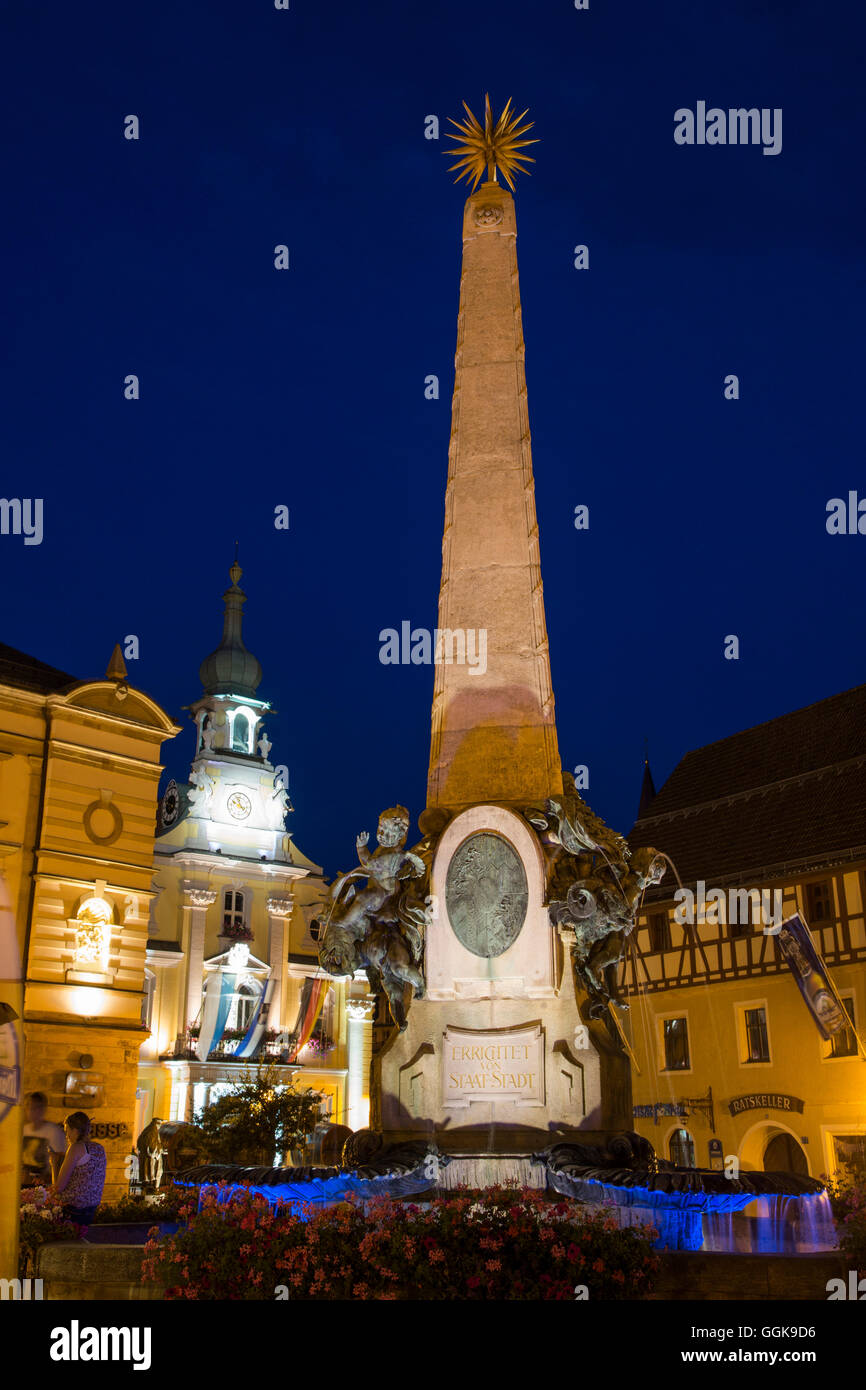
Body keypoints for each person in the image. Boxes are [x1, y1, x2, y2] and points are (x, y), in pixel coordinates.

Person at [50, 1112, 106, 1226]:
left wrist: (54, 1163)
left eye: (67, 1131)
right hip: (91, 1209)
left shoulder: (75, 1147)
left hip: (73, 1210)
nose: (66, 1136)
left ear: (75, 1131)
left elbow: (57, 1188)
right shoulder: (99, 1148)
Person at [21, 1091, 66, 1188]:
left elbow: (61, 1165)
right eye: (29, 1107)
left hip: (45, 1187)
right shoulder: (24, 1131)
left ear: (43, 1109)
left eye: (37, 1107)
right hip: (23, 1184)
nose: (33, 1111)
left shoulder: (55, 1132)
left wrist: (45, 1178)